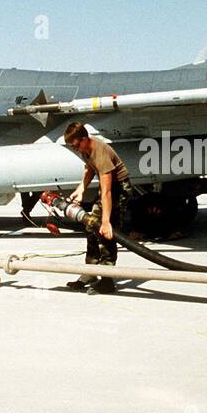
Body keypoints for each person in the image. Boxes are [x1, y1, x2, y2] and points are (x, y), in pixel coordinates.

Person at [63, 121, 136, 294]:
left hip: (119, 189)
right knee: (91, 227)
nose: (76, 150)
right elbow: (89, 168)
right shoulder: (84, 147)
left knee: (106, 234)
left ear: (84, 139)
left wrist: (105, 222)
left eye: (75, 146)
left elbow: (107, 193)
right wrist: (81, 188)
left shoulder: (100, 153)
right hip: (109, 190)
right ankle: (91, 271)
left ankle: (107, 280)